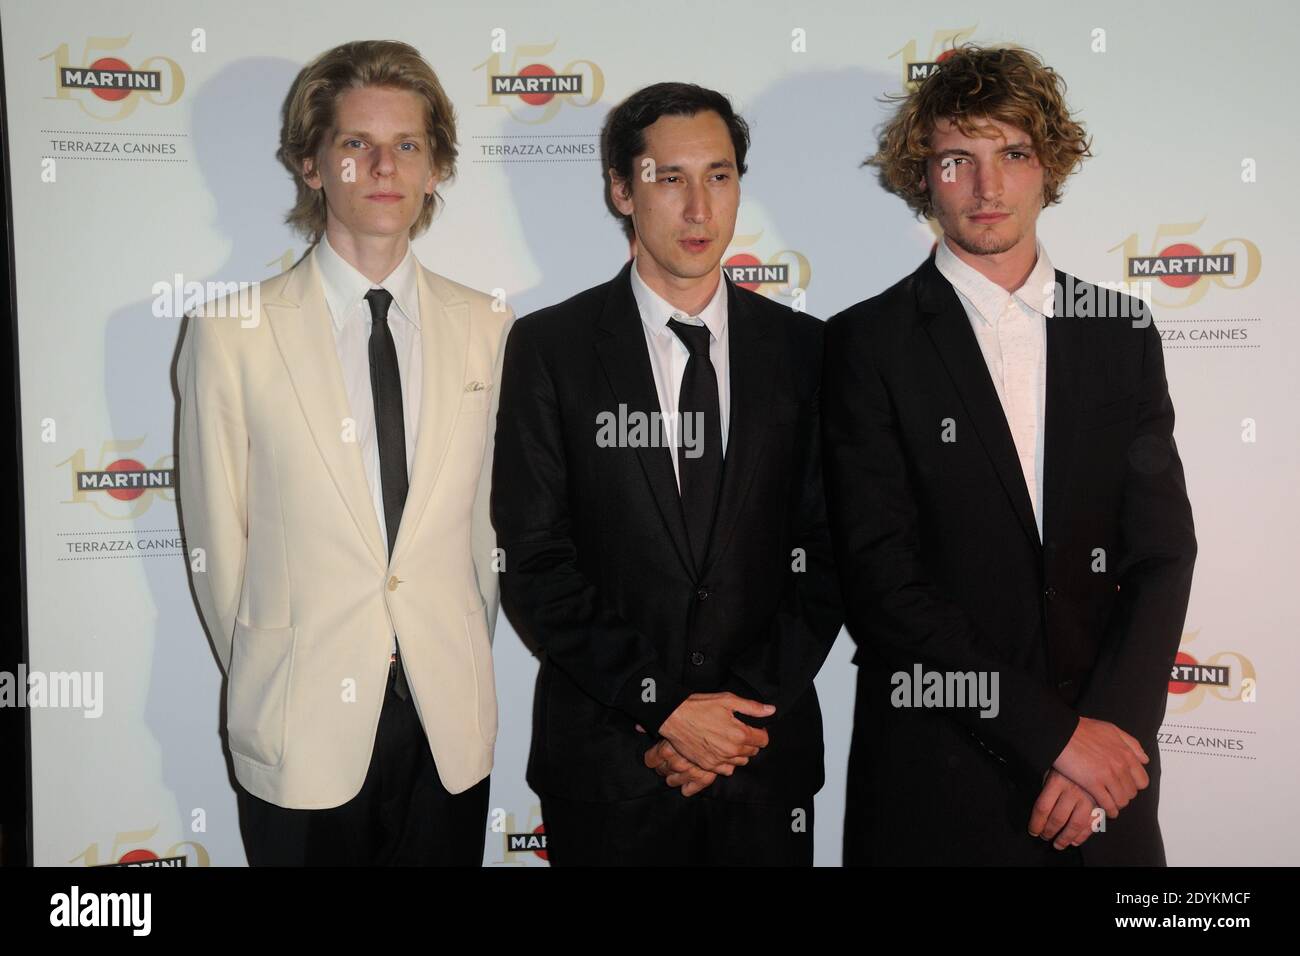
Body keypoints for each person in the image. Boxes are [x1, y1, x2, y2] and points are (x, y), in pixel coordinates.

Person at [823, 44, 1196, 865]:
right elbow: (882, 585)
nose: (987, 189)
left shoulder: (1120, 331)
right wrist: (1053, 737)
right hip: (936, 775)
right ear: (923, 175)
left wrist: (1110, 740)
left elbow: (1162, 554)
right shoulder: (865, 343)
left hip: (1106, 782)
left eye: (1012, 155)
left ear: (1047, 167)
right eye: (959, 159)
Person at [177, 39, 512, 865]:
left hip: (448, 727)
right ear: (312, 164)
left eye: (407, 145)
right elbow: (218, 551)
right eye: (355, 144)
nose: (383, 166)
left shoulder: (490, 330)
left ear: (436, 169)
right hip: (300, 725)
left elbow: (488, 538)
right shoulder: (231, 333)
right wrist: (282, 668)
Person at [492, 82, 842, 866]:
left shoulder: (806, 352)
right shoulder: (550, 349)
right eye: (667, 177)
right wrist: (666, 710)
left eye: (718, 176)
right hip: (609, 767)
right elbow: (537, 562)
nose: (697, 208)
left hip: (764, 765)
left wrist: (735, 721)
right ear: (622, 189)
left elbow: (830, 555)